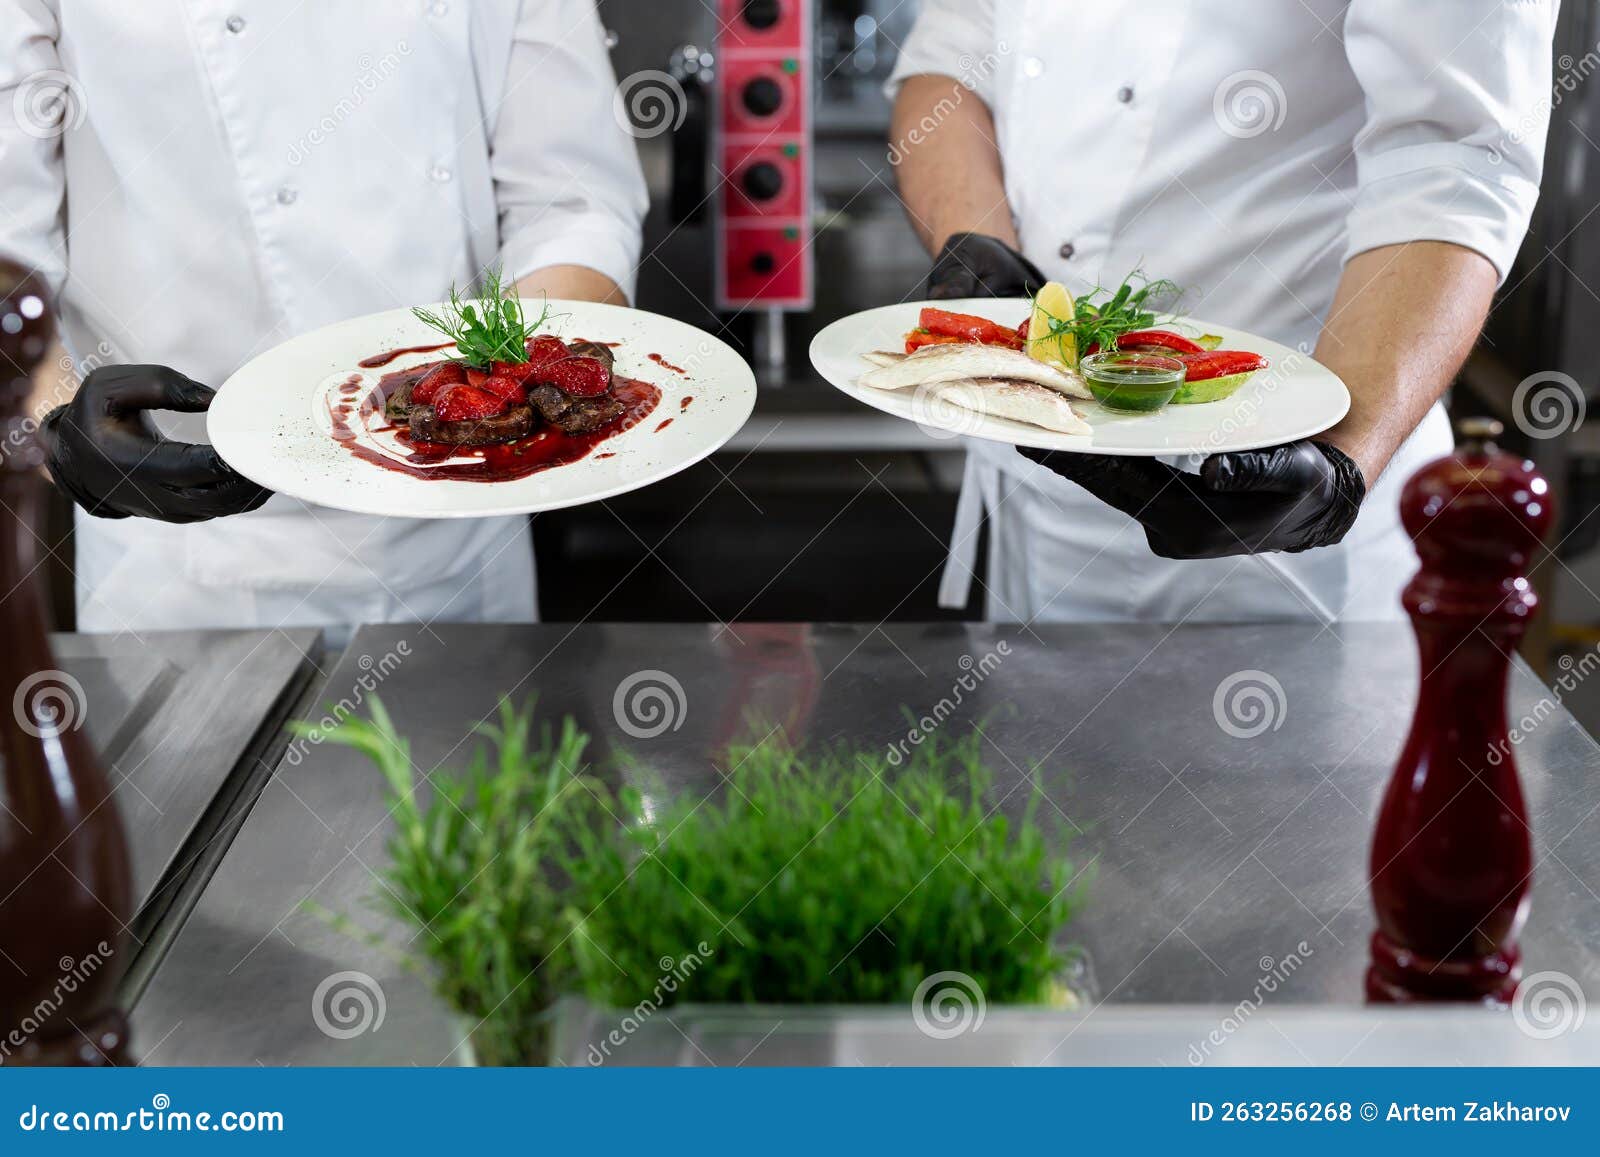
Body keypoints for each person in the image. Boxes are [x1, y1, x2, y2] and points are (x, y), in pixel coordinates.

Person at [889, 1, 1555, 623]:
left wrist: (1344, 456)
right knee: (1034, 748)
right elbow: (951, 59)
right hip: (1032, 511)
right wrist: (974, 245)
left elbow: (1455, 158)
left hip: (1281, 531)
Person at [2, 1, 646, 642]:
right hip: (181, 559)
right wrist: (59, 428)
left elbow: (571, 202)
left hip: (465, 531)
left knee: (481, 745)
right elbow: (7, 258)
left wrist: (529, 379)